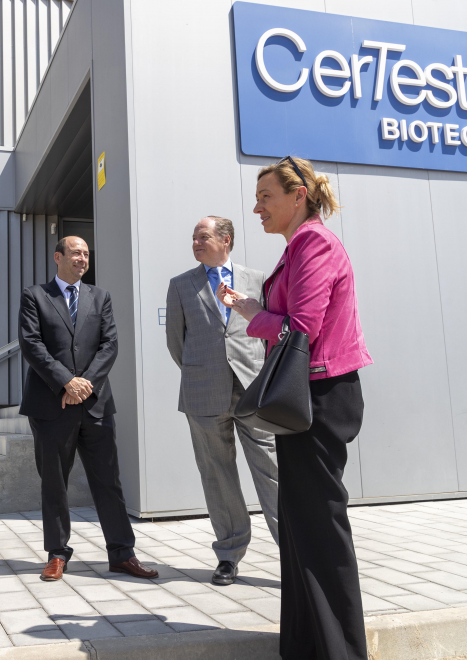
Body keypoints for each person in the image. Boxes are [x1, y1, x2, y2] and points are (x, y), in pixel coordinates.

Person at [217, 157, 372, 660]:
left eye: (266, 196)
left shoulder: (314, 244)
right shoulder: (298, 247)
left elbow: (299, 328)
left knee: (319, 525)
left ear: (297, 195)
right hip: (306, 396)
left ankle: (339, 650)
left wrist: (255, 316)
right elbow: (289, 320)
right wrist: (248, 308)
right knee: (302, 522)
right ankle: (309, 643)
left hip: (320, 397)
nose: (256, 207)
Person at [18, 236, 158, 582]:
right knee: (54, 483)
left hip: (94, 405)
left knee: (108, 481)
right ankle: (57, 554)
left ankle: (122, 554)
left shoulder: (100, 297)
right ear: (58, 257)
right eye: (76, 253)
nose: (82, 258)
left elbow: (109, 344)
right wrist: (66, 381)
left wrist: (84, 385)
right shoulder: (35, 296)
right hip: (51, 405)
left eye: (86, 254)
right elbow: (31, 343)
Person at [165, 216, 279, 587]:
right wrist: (205, 370)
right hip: (204, 393)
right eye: (193, 238)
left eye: (203, 237)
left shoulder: (258, 280)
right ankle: (229, 554)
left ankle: (294, 551)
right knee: (217, 474)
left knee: (274, 473)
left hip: (253, 391)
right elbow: (176, 344)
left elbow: (268, 334)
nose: (195, 243)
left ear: (225, 240)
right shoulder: (181, 286)